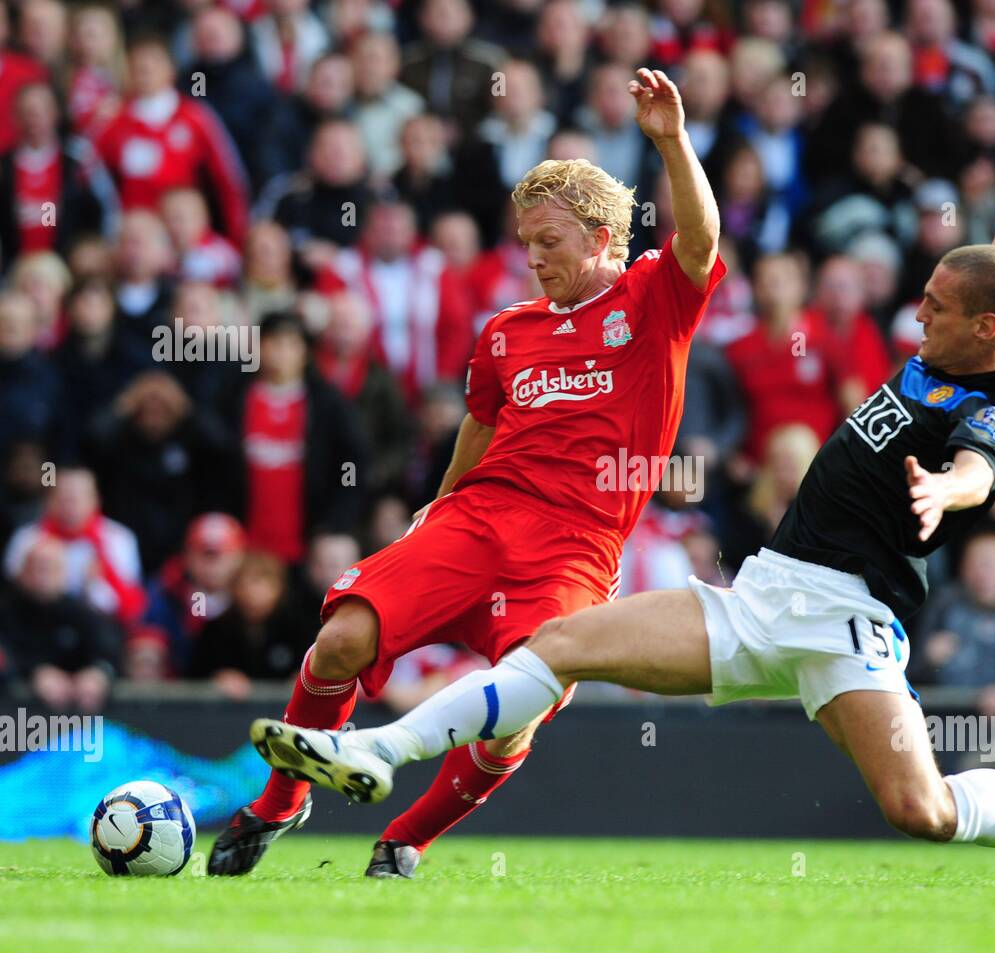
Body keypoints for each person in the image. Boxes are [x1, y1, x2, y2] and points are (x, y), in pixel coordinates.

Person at [251, 92, 995, 891]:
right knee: (558, 645)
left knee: (923, 810)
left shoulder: (992, 406)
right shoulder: (965, 338)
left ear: (981, 330)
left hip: (846, 620)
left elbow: (980, 463)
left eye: (937, 309)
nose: (918, 314)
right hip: (761, 595)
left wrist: (944, 495)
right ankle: (381, 751)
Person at [210, 68, 727, 878]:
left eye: (548, 241)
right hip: (478, 516)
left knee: (514, 715)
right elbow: (480, 428)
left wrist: (670, 139)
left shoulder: (653, 298)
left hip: (576, 547)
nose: (532, 259)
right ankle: (278, 805)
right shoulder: (505, 333)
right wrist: (441, 508)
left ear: (598, 237)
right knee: (342, 639)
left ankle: (403, 841)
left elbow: (700, 241)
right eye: (525, 242)